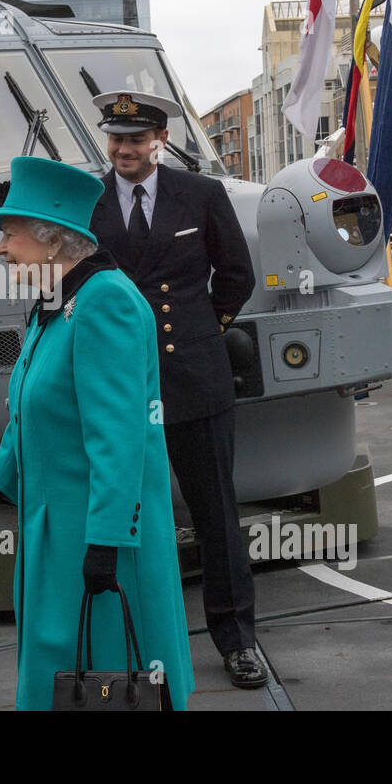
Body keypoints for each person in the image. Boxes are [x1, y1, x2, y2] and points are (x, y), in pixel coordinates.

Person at [0, 155, 195, 711]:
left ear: (53, 241)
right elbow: (29, 412)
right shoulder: (53, 305)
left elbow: (119, 438)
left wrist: (105, 544)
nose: (0, 249)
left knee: (107, 681)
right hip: (54, 534)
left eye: (11, 234)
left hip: (98, 538)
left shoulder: (105, 303)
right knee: (64, 673)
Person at [85, 90, 263, 688]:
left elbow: (237, 274)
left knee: (215, 514)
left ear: (158, 141)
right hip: (117, 383)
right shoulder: (89, 201)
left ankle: (238, 640)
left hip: (191, 377)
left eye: (135, 139)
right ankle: (128, 640)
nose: (124, 149)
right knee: (119, 512)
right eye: (116, 138)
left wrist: (199, 330)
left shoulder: (202, 195)